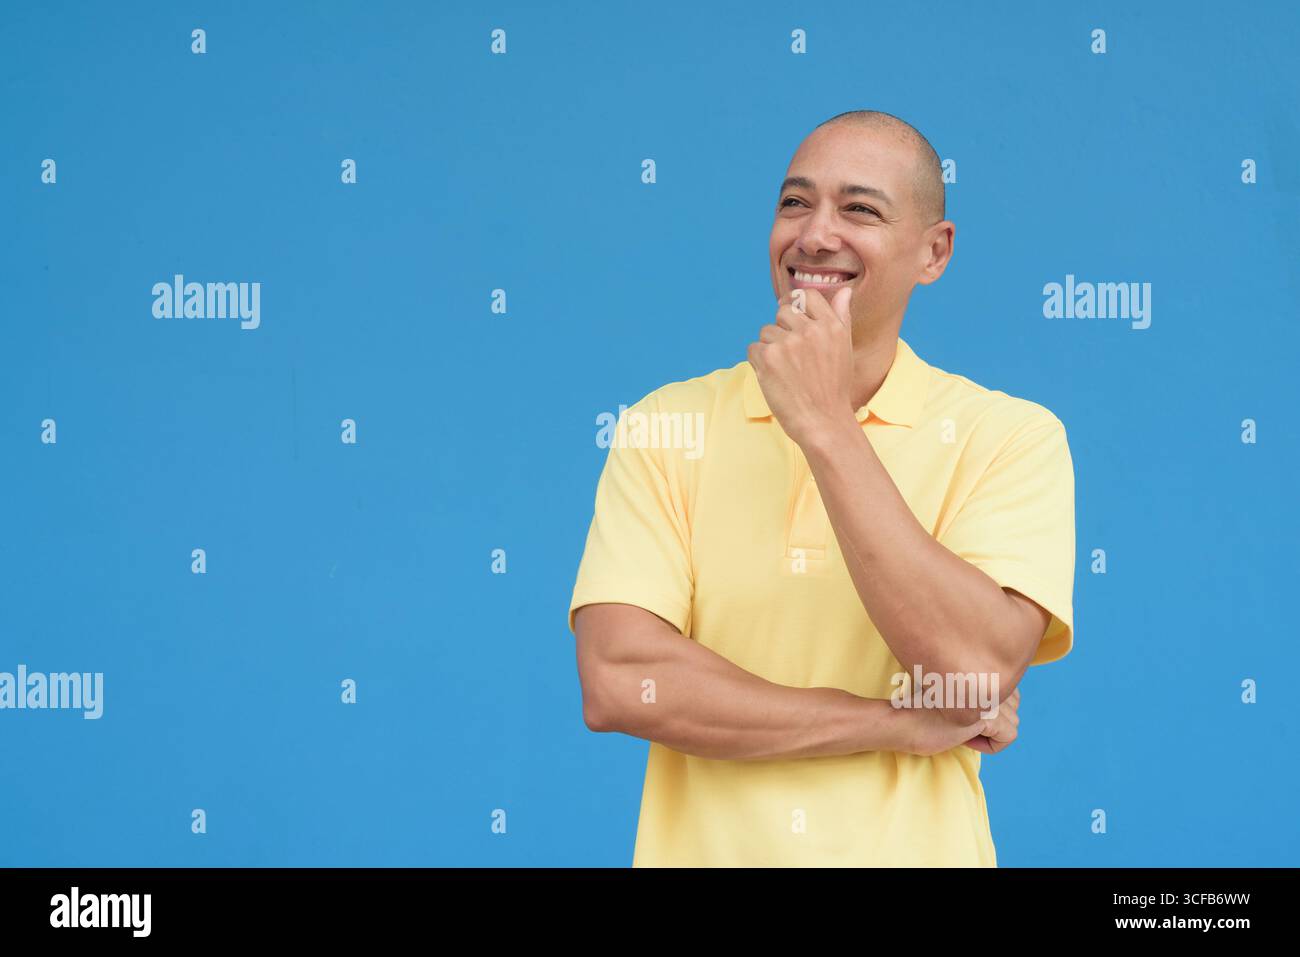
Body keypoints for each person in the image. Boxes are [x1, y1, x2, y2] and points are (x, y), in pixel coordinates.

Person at [568, 110, 1076, 867]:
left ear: (933, 252)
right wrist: (895, 720)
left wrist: (826, 425)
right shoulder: (665, 424)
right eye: (794, 203)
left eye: (859, 209)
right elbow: (621, 679)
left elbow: (970, 673)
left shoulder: (1010, 437)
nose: (813, 235)